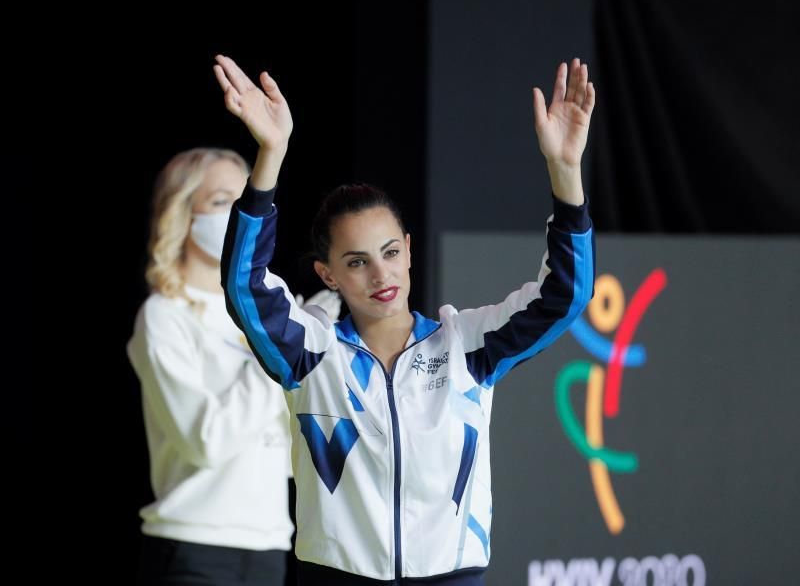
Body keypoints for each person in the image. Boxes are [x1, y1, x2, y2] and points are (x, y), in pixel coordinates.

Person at [212, 54, 595, 585]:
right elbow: (243, 284)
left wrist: (566, 170)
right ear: (327, 275)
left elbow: (566, 294)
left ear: (410, 251)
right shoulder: (311, 354)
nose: (380, 274)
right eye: (356, 262)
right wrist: (271, 154)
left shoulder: (466, 345)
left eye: (391, 252)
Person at [127, 147, 340, 586]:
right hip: (194, 546)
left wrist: (309, 349)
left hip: (269, 544)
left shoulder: (262, 314)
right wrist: (280, 354)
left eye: (240, 201)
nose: (235, 214)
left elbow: (289, 450)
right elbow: (204, 441)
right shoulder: (166, 315)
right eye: (221, 201)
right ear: (182, 213)